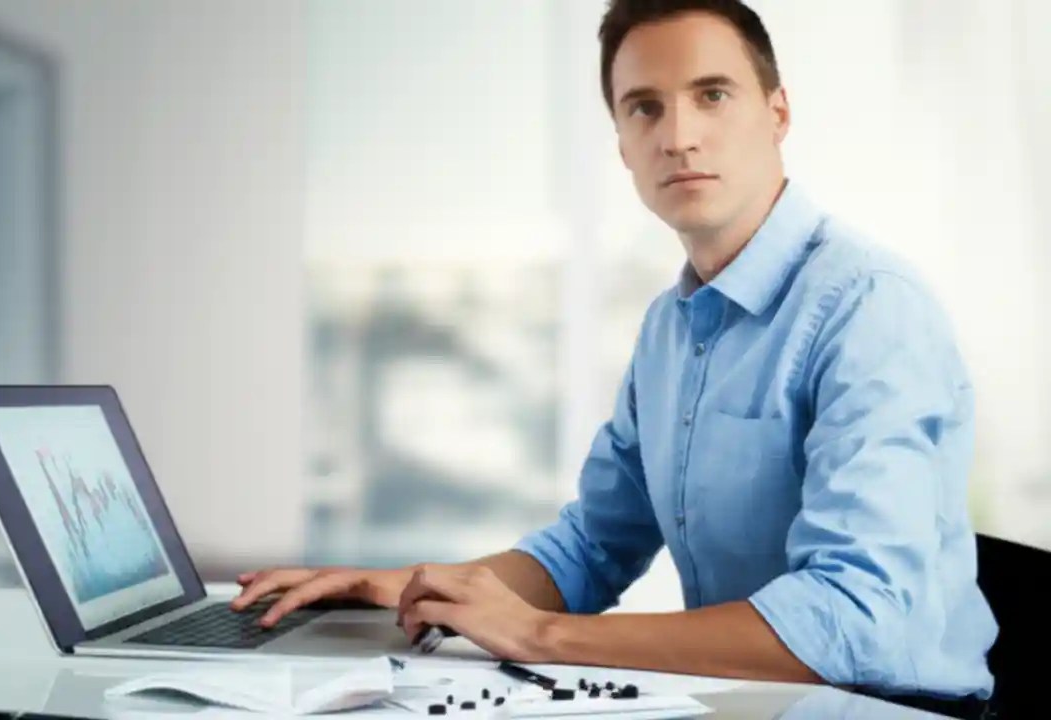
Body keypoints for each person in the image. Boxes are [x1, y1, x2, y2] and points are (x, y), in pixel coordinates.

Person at [233, 1, 997, 716]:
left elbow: (849, 621)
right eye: (645, 108)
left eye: (712, 95)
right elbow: (593, 547)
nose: (678, 135)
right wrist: (410, 587)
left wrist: (537, 635)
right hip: (750, 704)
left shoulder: (869, 308)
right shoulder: (673, 325)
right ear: (624, 146)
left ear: (778, 113)